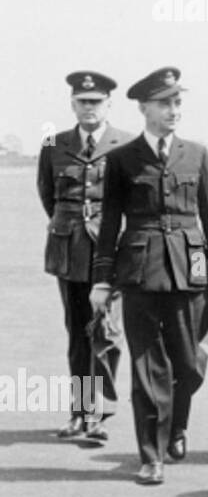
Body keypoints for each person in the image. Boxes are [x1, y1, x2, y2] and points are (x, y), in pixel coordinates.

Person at [89, 67, 208, 485]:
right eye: (165, 103)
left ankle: (178, 424)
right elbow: (110, 222)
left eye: (177, 102)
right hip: (139, 273)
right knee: (147, 367)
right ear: (143, 108)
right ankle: (151, 454)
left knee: (187, 364)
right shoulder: (121, 159)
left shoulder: (196, 153)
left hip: (191, 272)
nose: (174, 110)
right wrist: (101, 280)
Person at [37, 71, 131, 442]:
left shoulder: (126, 144)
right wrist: (71, 229)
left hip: (110, 252)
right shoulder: (53, 145)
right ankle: (79, 410)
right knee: (77, 332)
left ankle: (98, 413)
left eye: (96, 102)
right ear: (72, 104)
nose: (89, 108)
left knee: (105, 331)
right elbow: (48, 195)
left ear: (109, 104)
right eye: (83, 102)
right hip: (70, 249)